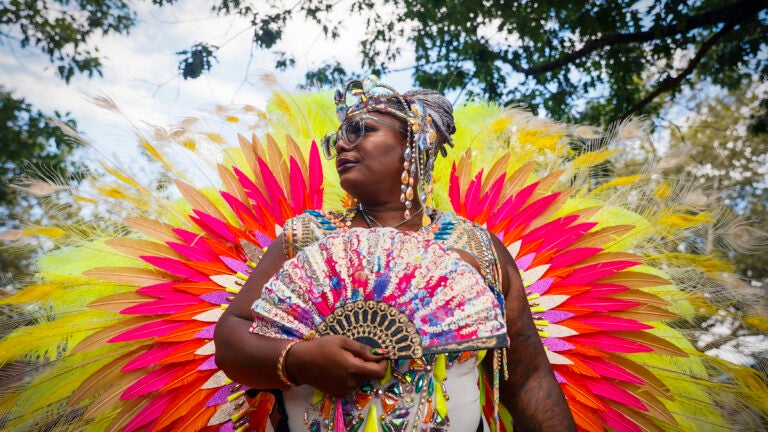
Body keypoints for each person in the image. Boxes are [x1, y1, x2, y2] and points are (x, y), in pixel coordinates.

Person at [214, 77, 576, 432]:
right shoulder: (304, 239)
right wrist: (299, 361)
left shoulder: (477, 249)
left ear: (417, 141)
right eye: (336, 137)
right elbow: (231, 339)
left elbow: (528, 377)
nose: (341, 144)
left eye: (360, 129)